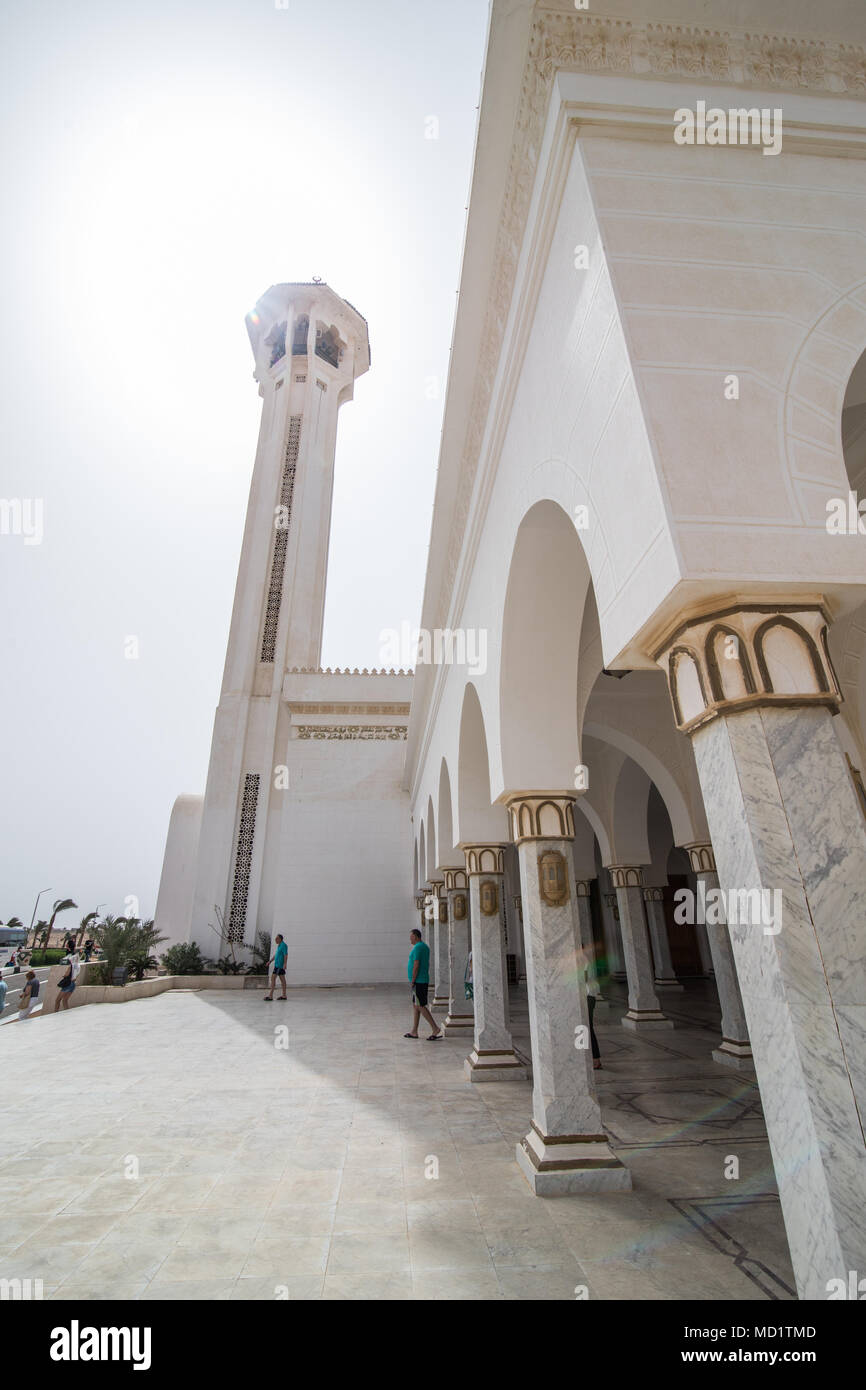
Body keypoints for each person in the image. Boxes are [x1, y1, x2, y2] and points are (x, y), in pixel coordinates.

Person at [403, 929, 441, 1040]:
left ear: (416, 936)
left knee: (420, 1005)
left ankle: (435, 1028)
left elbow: (416, 964)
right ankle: (414, 1031)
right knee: (416, 1005)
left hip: (419, 981)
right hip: (422, 979)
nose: (410, 938)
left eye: (411, 936)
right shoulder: (424, 947)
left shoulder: (418, 947)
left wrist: (413, 980)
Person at [576, 944, 602, 1069]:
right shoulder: (582, 958)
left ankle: (595, 1059)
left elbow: (582, 978)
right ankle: (583, 1057)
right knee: (581, 1027)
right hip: (585, 996)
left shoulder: (582, 959)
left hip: (587, 996)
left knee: (587, 1026)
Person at [264, 933, 288, 1002]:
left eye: (276, 938)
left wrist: (285, 964)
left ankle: (270, 996)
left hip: (279, 966)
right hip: (277, 965)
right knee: (283, 980)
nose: (275, 940)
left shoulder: (284, 945)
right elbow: (276, 955)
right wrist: (270, 961)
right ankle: (284, 995)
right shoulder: (279, 946)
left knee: (273, 978)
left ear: (280, 939)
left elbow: (285, 955)